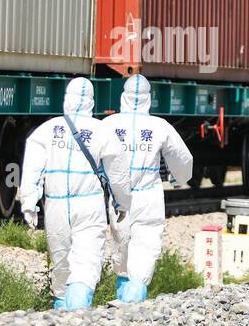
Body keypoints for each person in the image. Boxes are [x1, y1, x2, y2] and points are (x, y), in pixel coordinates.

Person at [18, 77, 131, 310]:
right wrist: (122, 202)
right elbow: (118, 174)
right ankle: (78, 311)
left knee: (61, 262)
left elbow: (32, 168)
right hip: (88, 204)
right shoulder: (102, 130)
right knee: (87, 259)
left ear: (66, 99)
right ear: (91, 101)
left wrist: (29, 202)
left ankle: (61, 312)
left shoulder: (47, 130)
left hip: (55, 205)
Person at [109, 74, 194, 302]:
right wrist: (179, 179)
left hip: (118, 199)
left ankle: (121, 296)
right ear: (149, 99)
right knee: (145, 249)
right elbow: (183, 160)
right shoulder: (159, 126)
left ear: (123, 97)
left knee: (121, 250)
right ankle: (134, 300)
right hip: (149, 198)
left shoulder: (108, 125)